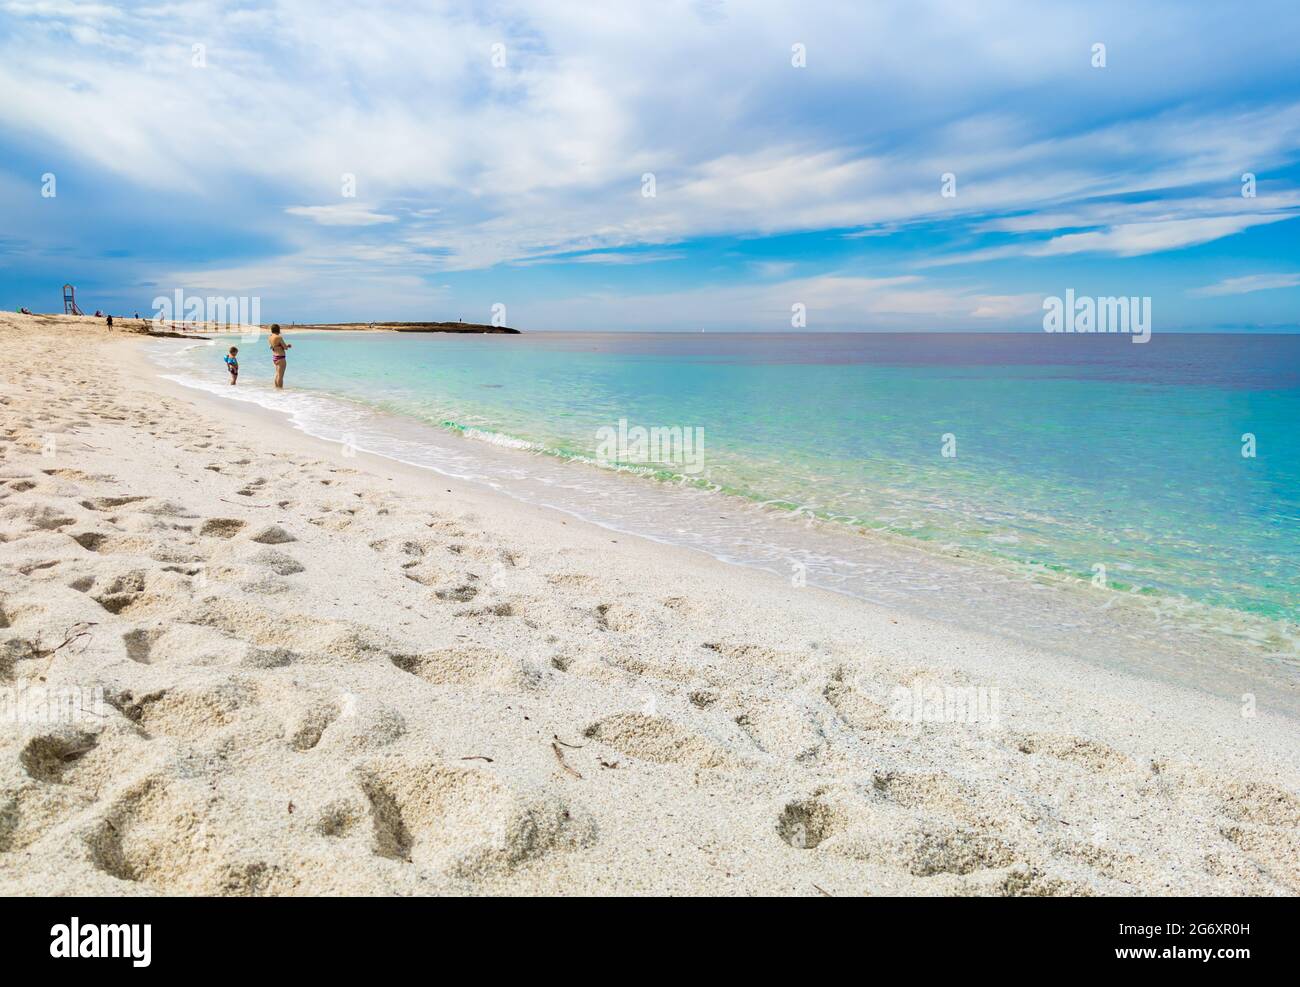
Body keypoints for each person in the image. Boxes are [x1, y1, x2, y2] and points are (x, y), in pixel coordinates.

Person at [268, 324, 291, 388]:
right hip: (280, 357)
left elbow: (271, 347)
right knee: (280, 376)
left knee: (277, 375)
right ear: (278, 329)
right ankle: (280, 391)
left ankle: (276, 390)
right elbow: (285, 347)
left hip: (275, 357)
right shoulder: (279, 337)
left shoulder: (270, 337)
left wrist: (281, 346)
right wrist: (288, 346)